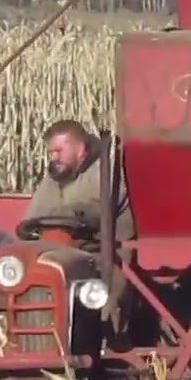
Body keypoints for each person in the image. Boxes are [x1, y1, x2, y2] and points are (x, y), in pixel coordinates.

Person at [23, 119, 134, 328]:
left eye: (58, 151)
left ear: (80, 149)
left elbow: (96, 209)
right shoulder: (55, 176)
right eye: (50, 153)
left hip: (105, 253)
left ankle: (108, 342)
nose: (53, 158)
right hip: (59, 251)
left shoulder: (108, 170)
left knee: (102, 295)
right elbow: (34, 215)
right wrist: (27, 227)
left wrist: (69, 214)